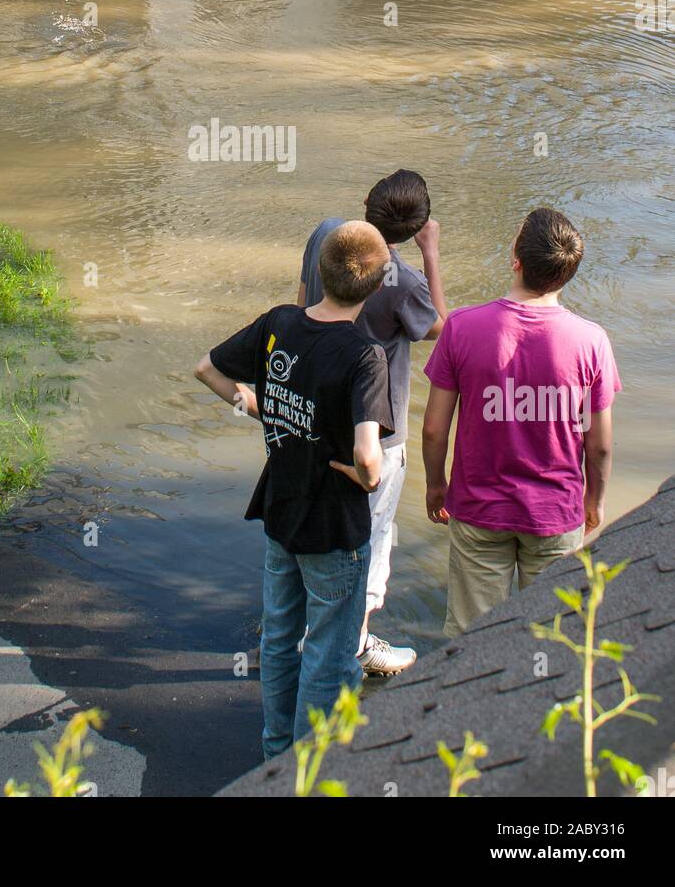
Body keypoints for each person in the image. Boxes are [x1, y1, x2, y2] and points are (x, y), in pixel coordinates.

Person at [195, 221, 392, 759]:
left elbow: (206, 368)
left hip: (281, 512)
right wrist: (367, 479)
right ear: (377, 288)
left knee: (280, 638)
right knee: (329, 653)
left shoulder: (280, 322)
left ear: (318, 271)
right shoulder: (364, 355)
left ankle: (277, 754)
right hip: (333, 528)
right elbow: (369, 456)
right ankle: (314, 766)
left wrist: (256, 406)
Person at [422, 207, 620, 636]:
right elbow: (599, 445)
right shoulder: (592, 342)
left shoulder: (462, 327)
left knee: (473, 639)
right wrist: (596, 500)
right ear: (567, 275)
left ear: (516, 258)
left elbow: (435, 428)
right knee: (552, 636)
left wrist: (436, 485)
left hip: (478, 510)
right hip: (555, 514)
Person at [298, 170, 447, 675]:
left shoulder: (326, 235)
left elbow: (301, 307)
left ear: (366, 200)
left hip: (313, 412)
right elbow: (444, 334)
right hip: (376, 431)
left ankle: (305, 629)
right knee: (370, 538)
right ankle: (356, 646)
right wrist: (431, 254)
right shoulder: (402, 281)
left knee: (315, 522)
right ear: (419, 226)